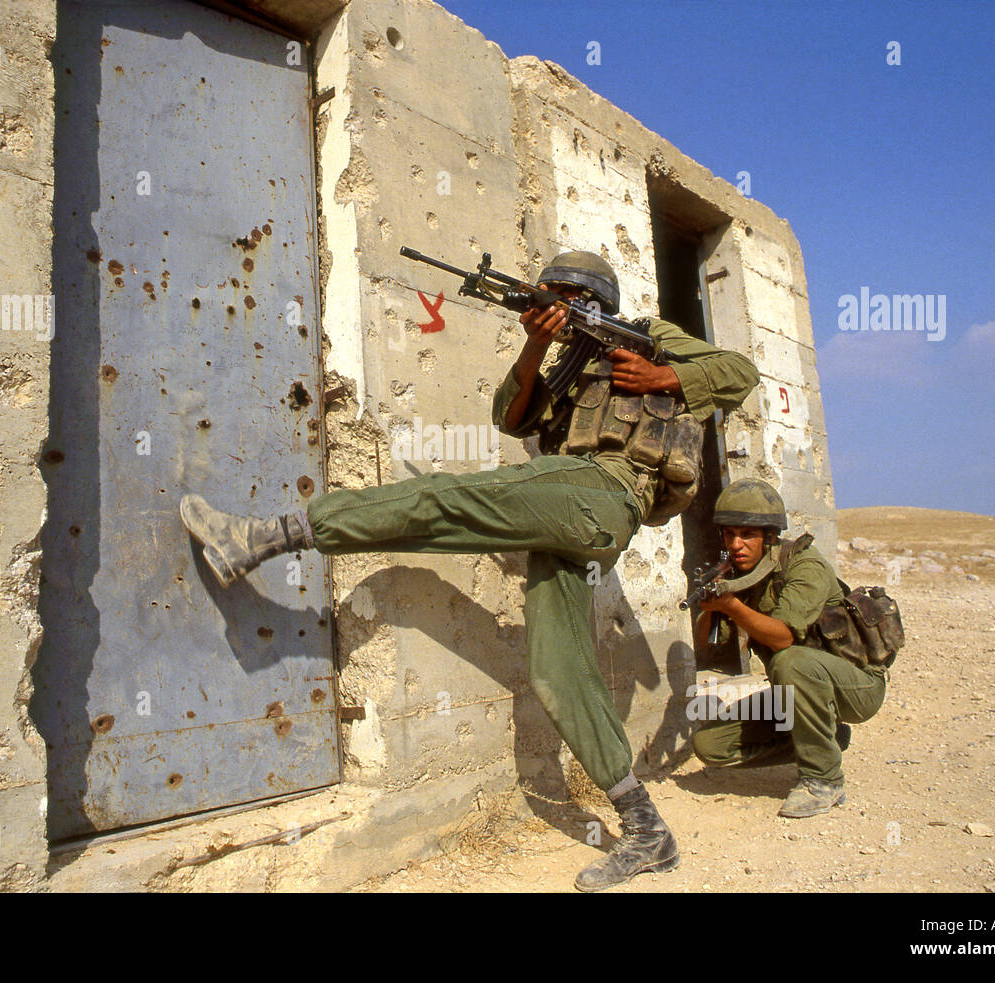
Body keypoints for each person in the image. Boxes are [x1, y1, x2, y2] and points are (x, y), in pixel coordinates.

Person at [180, 252, 760, 890]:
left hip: (607, 490)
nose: (546, 304)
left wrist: (661, 378)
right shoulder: (567, 363)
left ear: (590, 297)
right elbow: (510, 419)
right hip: (569, 514)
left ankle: (264, 536)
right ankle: (647, 829)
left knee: (439, 498)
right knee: (556, 669)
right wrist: (533, 350)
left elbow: (741, 372)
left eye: (557, 296)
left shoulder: (649, 334)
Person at [691, 479, 887, 817]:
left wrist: (733, 607)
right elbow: (706, 647)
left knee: (789, 660)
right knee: (711, 746)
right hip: (798, 693)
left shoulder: (803, 564)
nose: (736, 544)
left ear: (769, 536)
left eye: (747, 535)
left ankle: (823, 780)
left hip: (857, 685)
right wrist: (711, 606)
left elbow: (782, 638)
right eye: (729, 535)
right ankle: (827, 737)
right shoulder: (740, 575)